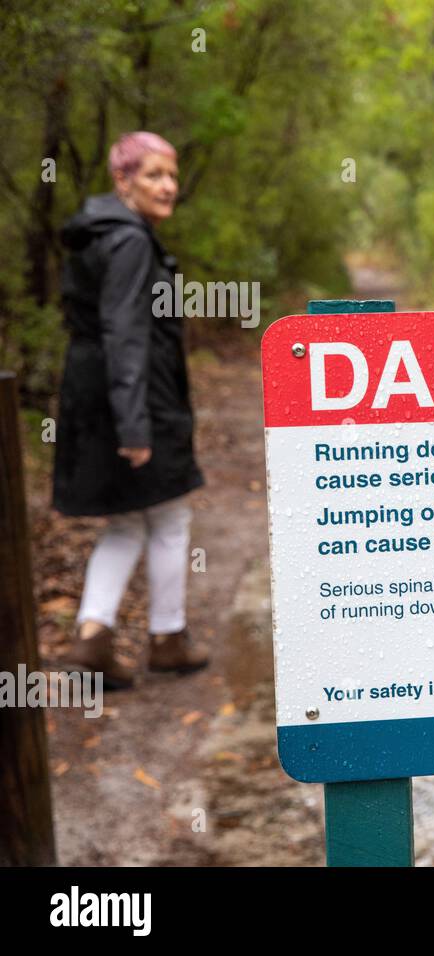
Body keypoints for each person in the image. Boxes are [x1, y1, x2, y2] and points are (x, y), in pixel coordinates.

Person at [54, 131, 208, 690]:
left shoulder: (102, 232)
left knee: (126, 521)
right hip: (136, 399)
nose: (168, 186)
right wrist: (136, 425)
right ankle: (168, 639)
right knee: (169, 517)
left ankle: (94, 635)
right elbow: (124, 332)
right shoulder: (130, 241)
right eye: (153, 175)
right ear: (123, 180)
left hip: (101, 397)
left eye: (171, 175)